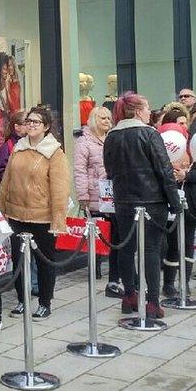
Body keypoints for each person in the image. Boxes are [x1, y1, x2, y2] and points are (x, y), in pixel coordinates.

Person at [103, 92, 181, 319]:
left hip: (124, 201)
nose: (150, 112)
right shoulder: (149, 134)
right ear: (138, 111)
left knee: (127, 249)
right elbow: (164, 170)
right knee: (151, 250)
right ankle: (153, 302)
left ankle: (129, 295)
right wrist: (175, 202)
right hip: (152, 200)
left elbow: (109, 170)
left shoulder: (112, 136)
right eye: (147, 108)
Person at [0, 106, 70, 319]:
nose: (31, 125)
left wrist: (58, 220)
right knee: (19, 261)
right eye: (29, 121)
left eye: (36, 122)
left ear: (46, 126)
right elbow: (7, 181)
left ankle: (45, 302)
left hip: (42, 216)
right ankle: (22, 300)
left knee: (45, 262)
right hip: (17, 215)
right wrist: (0, 210)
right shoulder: (18, 148)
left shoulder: (54, 151)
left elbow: (60, 188)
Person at [156, 118, 196, 298]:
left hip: (190, 203)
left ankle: (185, 282)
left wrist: (186, 175)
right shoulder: (159, 150)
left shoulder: (195, 150)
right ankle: (169, 284)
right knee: (172, 245)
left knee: (188, 244)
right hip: (168, 204)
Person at [74, 105, 122, 298]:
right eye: (103, 118)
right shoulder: (84, 142)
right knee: (98, 235)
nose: (107, 121)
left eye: (109, 118)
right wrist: (83, 196)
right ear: (94, 120)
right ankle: (95, 268)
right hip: (94, 195)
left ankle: (115, 276)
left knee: (116, 237)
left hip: (113, 195)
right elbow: (79, 170)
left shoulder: (112, 138)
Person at [0, 110, 26, 183]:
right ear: (17, 127)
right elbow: (0, 172)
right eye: (26, 124)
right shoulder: (7, 147)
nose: (30, 126)